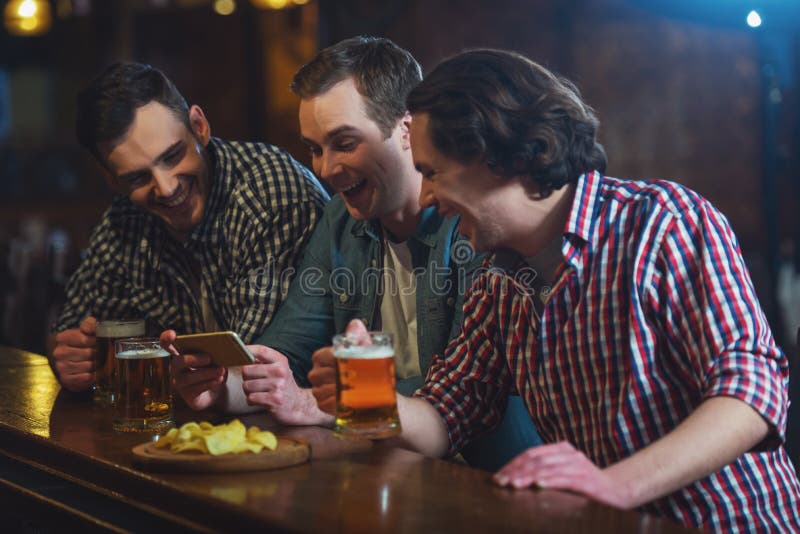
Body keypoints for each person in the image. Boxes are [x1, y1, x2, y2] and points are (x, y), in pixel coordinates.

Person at [309, 49, 800, 532]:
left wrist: (615, 487)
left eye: (433, 173)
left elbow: (753, 394)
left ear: (496, 156)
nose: (429, 196)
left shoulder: (660, 222)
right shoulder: (499, 283)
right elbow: (443, 416)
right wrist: (370, 400)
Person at [163, 37, 540, 470]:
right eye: (314, 148)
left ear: (407, 127)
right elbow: (291, 349)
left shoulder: (478, 224)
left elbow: (460, 392)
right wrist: (222, 387)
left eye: (343, 143)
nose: (324, 169)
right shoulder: (340, 220)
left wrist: (323, 402)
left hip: (487, 475)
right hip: (382, 465)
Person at [49, 62, 329, 394]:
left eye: (172, 155)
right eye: (137, 177)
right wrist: (71, 356)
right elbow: (71, 327)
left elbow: (249, 369)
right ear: (111, 179)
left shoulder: (271, 195)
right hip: (183, 426)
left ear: (199, 127)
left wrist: (147, 367)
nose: (166, 188)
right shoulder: (125, 220)